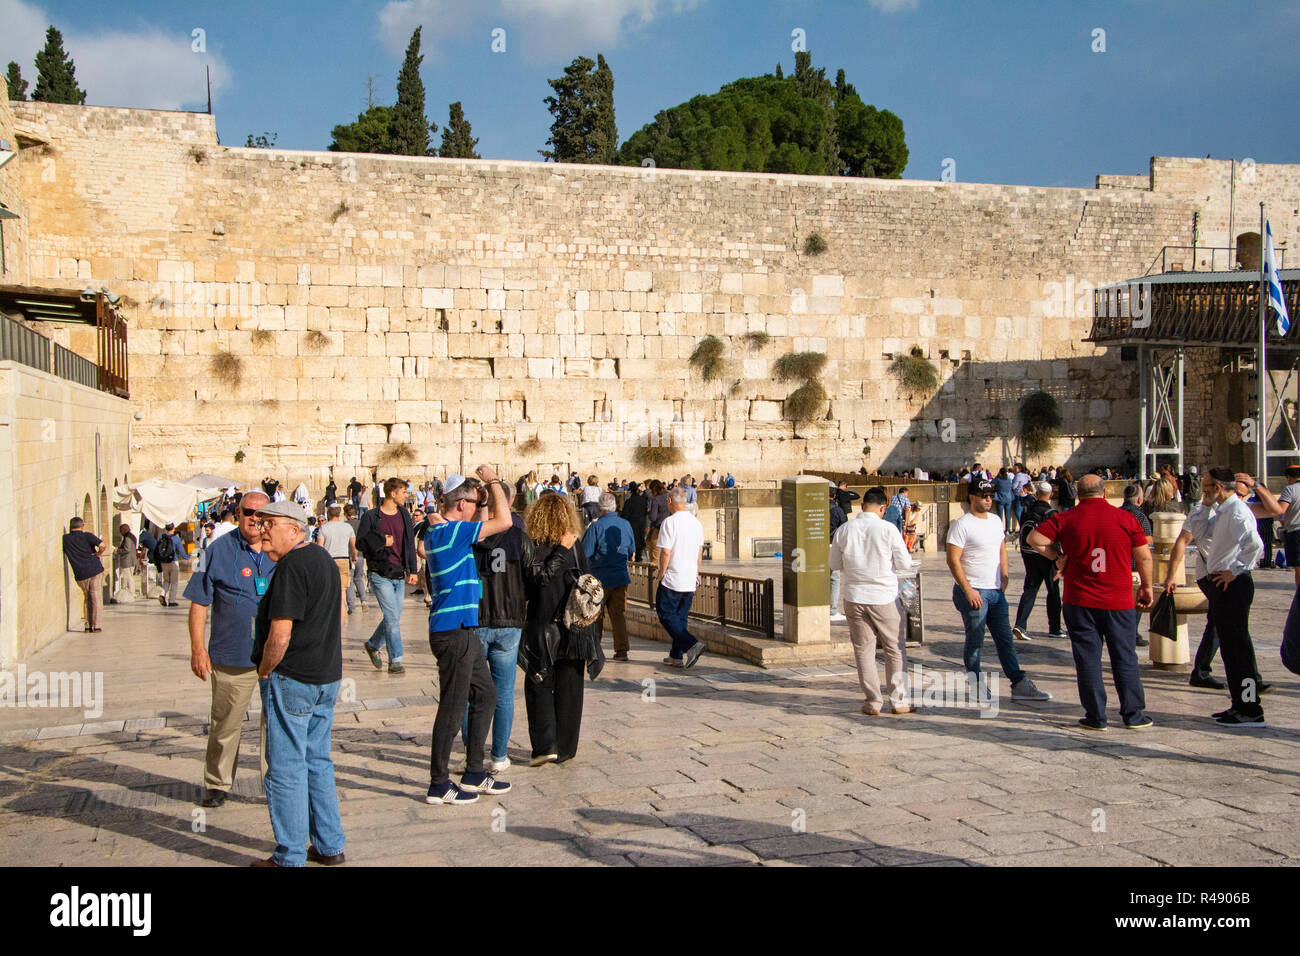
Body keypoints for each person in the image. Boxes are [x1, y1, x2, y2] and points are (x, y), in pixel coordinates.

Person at [249, 500, 346, 867]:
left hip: (293, 679)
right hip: (326, 677)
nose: (262, 530)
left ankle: (289, 856)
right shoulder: (323, 560)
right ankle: (328, 845)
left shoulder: (291, 567)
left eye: (269, 524)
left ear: (294, 529)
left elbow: (281, 634)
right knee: (317, 760)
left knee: (286, 766)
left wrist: (264, 669)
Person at [1026, 474, 1153, 731]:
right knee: (1125, 657)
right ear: (1105, 493)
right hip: (1118, 601)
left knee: (1088, 659)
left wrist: (1058, 557)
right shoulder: (1126, 519)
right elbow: (1143, 556)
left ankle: (1096, 716)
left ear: (1078, 495)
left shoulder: (1066, 518)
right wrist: (1147, 587)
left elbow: (1034, 539)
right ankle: (1133, 714)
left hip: (1080, 601)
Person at [423, 468, 514, 804]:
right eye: (474, 503)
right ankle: (438, 782)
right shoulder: (452, 532)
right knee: (451, 705)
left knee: (486, 694)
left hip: (463, 630)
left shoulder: (445, 531)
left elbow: (487, 532)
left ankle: (475, 772)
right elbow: (504, 522)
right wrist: (492, 480)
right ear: (461, 504)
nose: (478, 508)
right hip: (453, 633)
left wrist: (485, 499)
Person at [184, 490, 274, 808]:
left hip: (275, 655)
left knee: (274, 725)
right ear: (237, 513)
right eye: (249, 512)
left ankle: (274, 784)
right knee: (225, 722)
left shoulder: (280, 550)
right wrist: (198, 648)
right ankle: (217, 782)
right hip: (231, 653)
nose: (255, 520)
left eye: (262, 515)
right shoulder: (215, 550)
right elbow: (199, 603)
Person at [1164, 470, 1274, 725]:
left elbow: (1255, 545)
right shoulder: (1221, 510)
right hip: (1220, 583)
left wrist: (1234, 571)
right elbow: (1198, 532)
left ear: (1218, 487)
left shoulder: (1237, 511)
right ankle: (1239, 703)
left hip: (1233, 585)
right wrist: (1204, 505)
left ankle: (1250, 708)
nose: (1202, 492)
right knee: (1230, 648)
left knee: (1240, 649)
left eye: (1206, 488)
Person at [946, 480, 1052, 702]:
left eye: (990, 495)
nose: (988, 499)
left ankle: (1019, 683)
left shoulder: (995, 521)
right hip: (975, 591)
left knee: (1005, 639)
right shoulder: (962, 525)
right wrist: (968, 589)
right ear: (972, 497)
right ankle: (977, 686)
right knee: (975, 641)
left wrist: (1004, 574)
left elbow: (1001, 548)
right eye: (983, 495)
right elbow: (953, 560)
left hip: (995, 592)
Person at [521, 492, 605, 765]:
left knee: (540, 683)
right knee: (571, 686)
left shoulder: (532, 547)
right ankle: (566, 747)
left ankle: (546, 746)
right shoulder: (575, 545)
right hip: (574, 628)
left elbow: (530, 585)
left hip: (542, 623)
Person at [830, 487, 914, 716]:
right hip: (883, 596)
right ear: (883, 508)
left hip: (854, 597)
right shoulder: (888, 529)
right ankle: (899, 701)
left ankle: (873, 702)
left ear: (861, 506)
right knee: (894, 649)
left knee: (863, 650)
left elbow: (834, 564)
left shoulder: (845, 529)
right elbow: (905, 565)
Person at [470, 481, 533, 773]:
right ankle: (498, 756)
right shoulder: (520, 538)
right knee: (504, 693)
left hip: (477, 620)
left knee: (471, 691)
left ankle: (473, 754)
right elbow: (534, 580)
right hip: (510, 622)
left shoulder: (471, 536)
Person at [356, 477, 419, 674]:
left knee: (394, 616)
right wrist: (382, 541)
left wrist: (413, 570)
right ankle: (396, 660)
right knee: (392, 616)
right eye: (403, 492)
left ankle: (373, 645)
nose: (406, 495)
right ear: (392, 493)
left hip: (398, 573)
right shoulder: (372, 516)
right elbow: (360, 543)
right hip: (379, 572)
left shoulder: (404, 516)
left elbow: (409, 544)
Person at [654, 487, 706, 667]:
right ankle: (676, 656)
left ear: (669, 501)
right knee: (680, 619)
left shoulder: (669, 522)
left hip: (673, 579)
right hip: (690, 578)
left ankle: (692, 645)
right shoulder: (696, 523)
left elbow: (665, 552)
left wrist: (661, 573)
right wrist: (696, 573)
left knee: (665, 614)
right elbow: (699, 553)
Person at [582, 492, 635, 661]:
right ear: (615, 507)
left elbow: (586, 552)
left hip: (599, 578)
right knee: (618, 615)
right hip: (620, 577)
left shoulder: (595, 527)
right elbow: (631, 550)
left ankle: (594, 650)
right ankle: (621, 650)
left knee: (596, 615)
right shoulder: (626, 524)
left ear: (599, 508)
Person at [1012, 481, 1062, 641]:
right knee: (1053, 591)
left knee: (1030, 589)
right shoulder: (1051, 513)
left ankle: (1020, 625)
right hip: (1047, 555)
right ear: (1050, 495)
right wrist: (1059, 557)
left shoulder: (1027, 510)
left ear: (1037, 493)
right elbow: (1057, 537)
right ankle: (1055, 628)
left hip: (1029, 555)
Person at [63, 517, 107, 632]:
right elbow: (102, 545)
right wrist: (98, 554)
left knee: (87, 598)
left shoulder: (65, 539)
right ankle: (96, 625)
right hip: (94, 570)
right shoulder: (86, 535)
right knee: (96, 597)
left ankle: (87, 625)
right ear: (82, 526)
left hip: (80, 573)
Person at [317, 505, 356, 615]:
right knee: (343, 588)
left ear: (328, 514)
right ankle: (341, 612)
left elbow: (320, 547)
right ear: (340, 514)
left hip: (328, 560)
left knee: (329, 587)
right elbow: (353, 545)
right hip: (343, 559)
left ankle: (330, 612)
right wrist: (355, 556)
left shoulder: (324, 528)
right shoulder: (347, 527)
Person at [829, 485, 848, 622]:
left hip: (816, 546)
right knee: (834, 578)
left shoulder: (817, 508)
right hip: (832, 546)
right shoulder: (837, 510)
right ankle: (832, 610)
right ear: (834, 496)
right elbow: (845, 527)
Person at [342, 503, 367, 611]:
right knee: (359, 579)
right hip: (361, 555)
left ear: (346, 514)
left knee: (350, 581)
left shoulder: (344, 525)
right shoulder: (362, 524)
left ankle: (351, 606)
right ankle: (364, 601)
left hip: (349, 555)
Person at [155, 523, 185, 607]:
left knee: (166, 580)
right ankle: (171, 600)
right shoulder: (176, 538)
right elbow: (181, 551)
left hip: (163, 562)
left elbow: (157, 550)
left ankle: (162, 594)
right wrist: (186, 557)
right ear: (173, 528)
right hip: (173, 561)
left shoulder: (160, 537)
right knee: (174, 582)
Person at [620, 481, 649, 562]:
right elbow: (645, 512)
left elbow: (624, 516)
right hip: (641, 523)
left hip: (632, 524)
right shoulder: (642, 500)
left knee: (632, 542)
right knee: (640, 541)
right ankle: (639, 559)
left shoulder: (628, 502)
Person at [114, 522, 138, 600]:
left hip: (127, 560)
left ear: (124, 530)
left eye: (121, 531)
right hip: (131, 560)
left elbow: (127, 549)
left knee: (128, 578)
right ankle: (132, 593)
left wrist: (117, 550)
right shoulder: (132, 536)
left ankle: (131, 593)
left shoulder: (127, 538)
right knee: (130, 577)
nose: (120, 533)